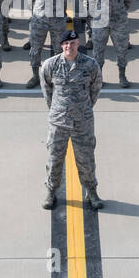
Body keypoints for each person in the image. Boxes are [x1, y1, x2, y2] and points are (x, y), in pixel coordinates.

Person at [41, 30, 104, 211]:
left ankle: (91, 192)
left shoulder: (90, 65)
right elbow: (47, 91)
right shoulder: (50, 65)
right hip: (58, 122)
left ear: (78, 44)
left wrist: (83, 108)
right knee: (54, 159)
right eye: (66, 44)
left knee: (86, 159)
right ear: (61, 45)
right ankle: (51, 191)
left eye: (73, 43)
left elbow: (96, 88)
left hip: (82, 121)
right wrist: (58, 109)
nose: (69, 46)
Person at [87, 0, 132, 88]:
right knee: (98, 52)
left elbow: (128, 1)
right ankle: (98, 77)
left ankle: (122, 75)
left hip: (119, 23)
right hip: (100, 24)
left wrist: (119, 12)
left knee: (122, 50)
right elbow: (89, 2)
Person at [26, 0, 66, 88]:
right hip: (39, 21)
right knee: (35, 49)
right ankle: (35, 76)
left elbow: (65, 0)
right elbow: (30, 1)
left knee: (58, 50)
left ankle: (56, 76)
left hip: (57, 20)